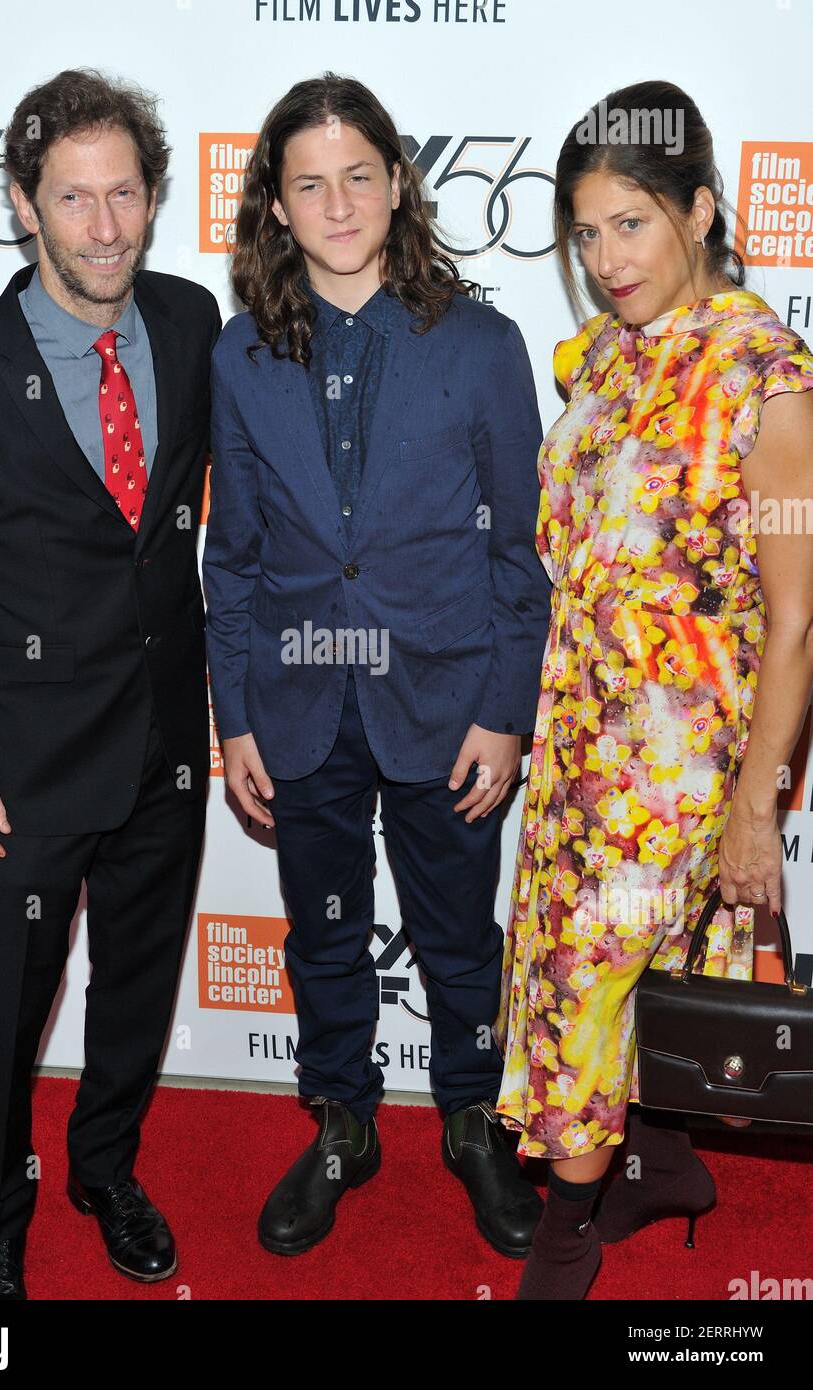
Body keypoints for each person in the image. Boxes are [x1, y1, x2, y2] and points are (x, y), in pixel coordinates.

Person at [0, 68, 220, 1299]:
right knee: (0, 1010)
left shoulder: (189, 326)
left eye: (124, 193)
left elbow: (208, 532)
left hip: (166, 748)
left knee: (137, 982)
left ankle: (105, 1168)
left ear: (151, 197)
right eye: (72, 198)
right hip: (17, 767)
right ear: (23, 206)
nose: (104, 225)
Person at [203, 71, 552, 1259]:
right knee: (323, 932)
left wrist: (506, 711)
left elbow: (520, 552)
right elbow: (233, 552)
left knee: (459, 937)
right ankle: (342, 1123)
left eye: (358, 174)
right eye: (310, 182)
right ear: (278, 206)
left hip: (447, 701)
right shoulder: (239, 353)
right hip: (301, 702)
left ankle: (472, 1123)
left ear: (395, 183)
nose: (338, 201)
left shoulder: (482, 344)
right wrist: (235, 712)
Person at [494, 79, 813, 1300]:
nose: (603, 256)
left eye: (629, 222)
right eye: (583, 232)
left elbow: (794, 617)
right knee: (615, 974)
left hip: (676, 767)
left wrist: (753, 804)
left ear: (698, 207)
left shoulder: (763, 372)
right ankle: (663, 1163)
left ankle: (562, 1238)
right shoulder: (613, 361)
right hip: (578, 740)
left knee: (580, 983)